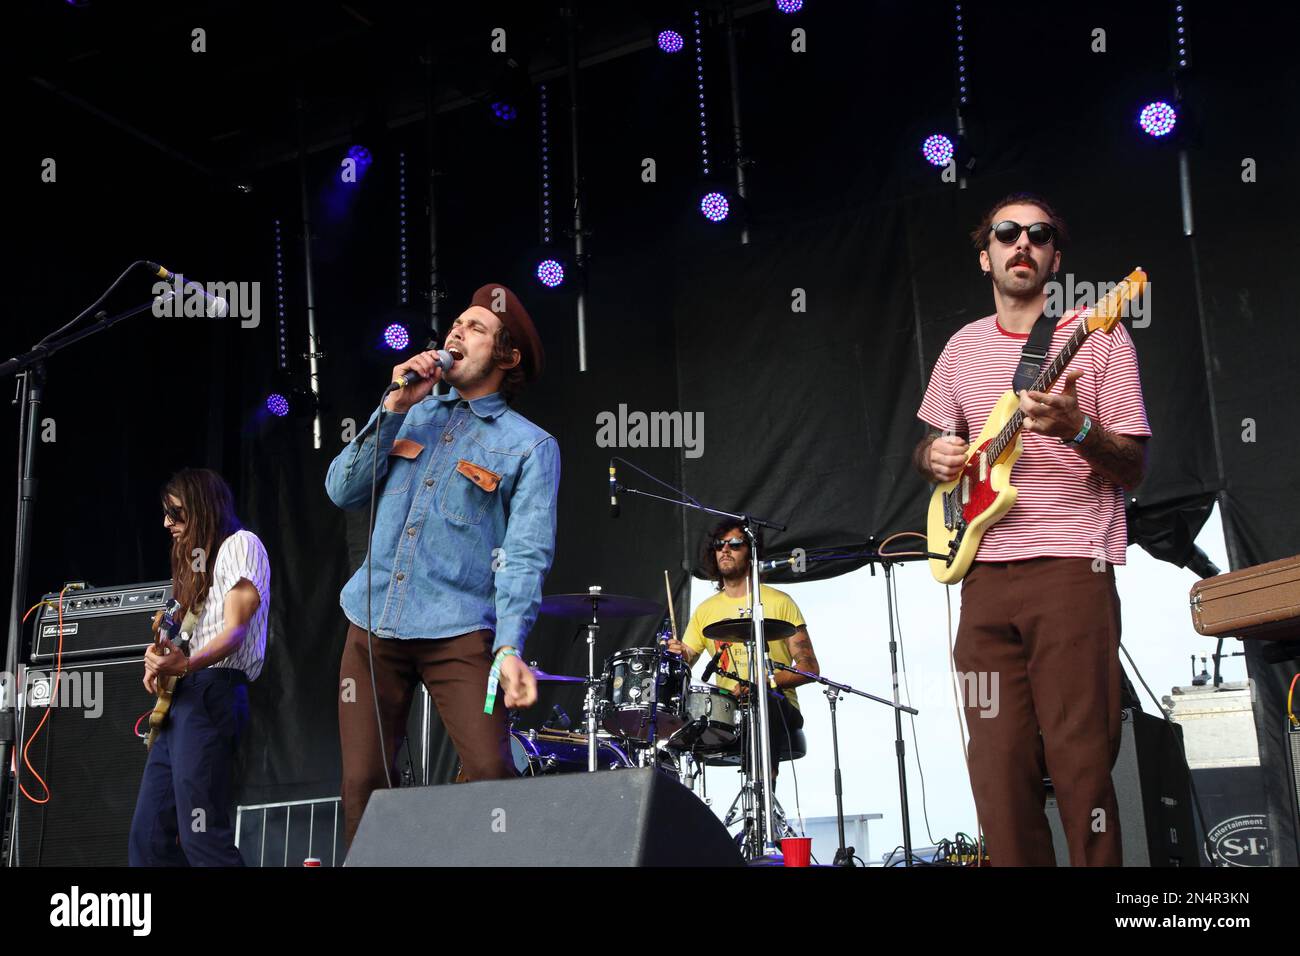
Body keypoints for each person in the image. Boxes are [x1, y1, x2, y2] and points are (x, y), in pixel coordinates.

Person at [914, 193, 1150, 866]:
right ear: (984, 253)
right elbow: (936, 447)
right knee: (995, 767)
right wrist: (935, 457)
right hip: (984, 578)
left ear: (1054, 257)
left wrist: (1075, 428)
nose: (1024, 242)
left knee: (1081, 762)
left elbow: (1133, 466)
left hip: (1073, 568)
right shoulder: (961, 349)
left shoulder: (1100, 334)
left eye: (1039, 234)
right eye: (1007, 233)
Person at [325, 283, 560, 850]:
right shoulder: (411, 412)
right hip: (373, 623)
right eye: (456, 323)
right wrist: (392, 407)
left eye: (476, 328)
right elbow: (341, 489)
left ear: (508, 358)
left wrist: (508, 647)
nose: (456, 332)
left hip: (459, 629)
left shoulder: (530, 446)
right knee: (364, 786)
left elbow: (525, 557)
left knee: (489, 775)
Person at [129, 467, 270, 866]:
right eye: (165, 514)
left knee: (202, 835)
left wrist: (186, 663)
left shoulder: (241, 544)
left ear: (203, 508)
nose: (167, 523)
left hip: (214, 690)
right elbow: (184, 638)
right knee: (149, 839)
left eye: (176, 513)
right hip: (184, 699)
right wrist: (158, 660)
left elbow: (234, 633)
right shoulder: (196, 569)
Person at [667, 519, 820, 774]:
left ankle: (762, 798)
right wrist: (678, 655)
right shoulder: (705, 610)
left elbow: (810, 668)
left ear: (751, 552)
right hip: (728, 713)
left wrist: (762, 683)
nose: (725, 550)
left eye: (735, 544)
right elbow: (686, 660)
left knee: (763, 702)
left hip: (779, 707)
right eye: (719, 545)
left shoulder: (779, 602)